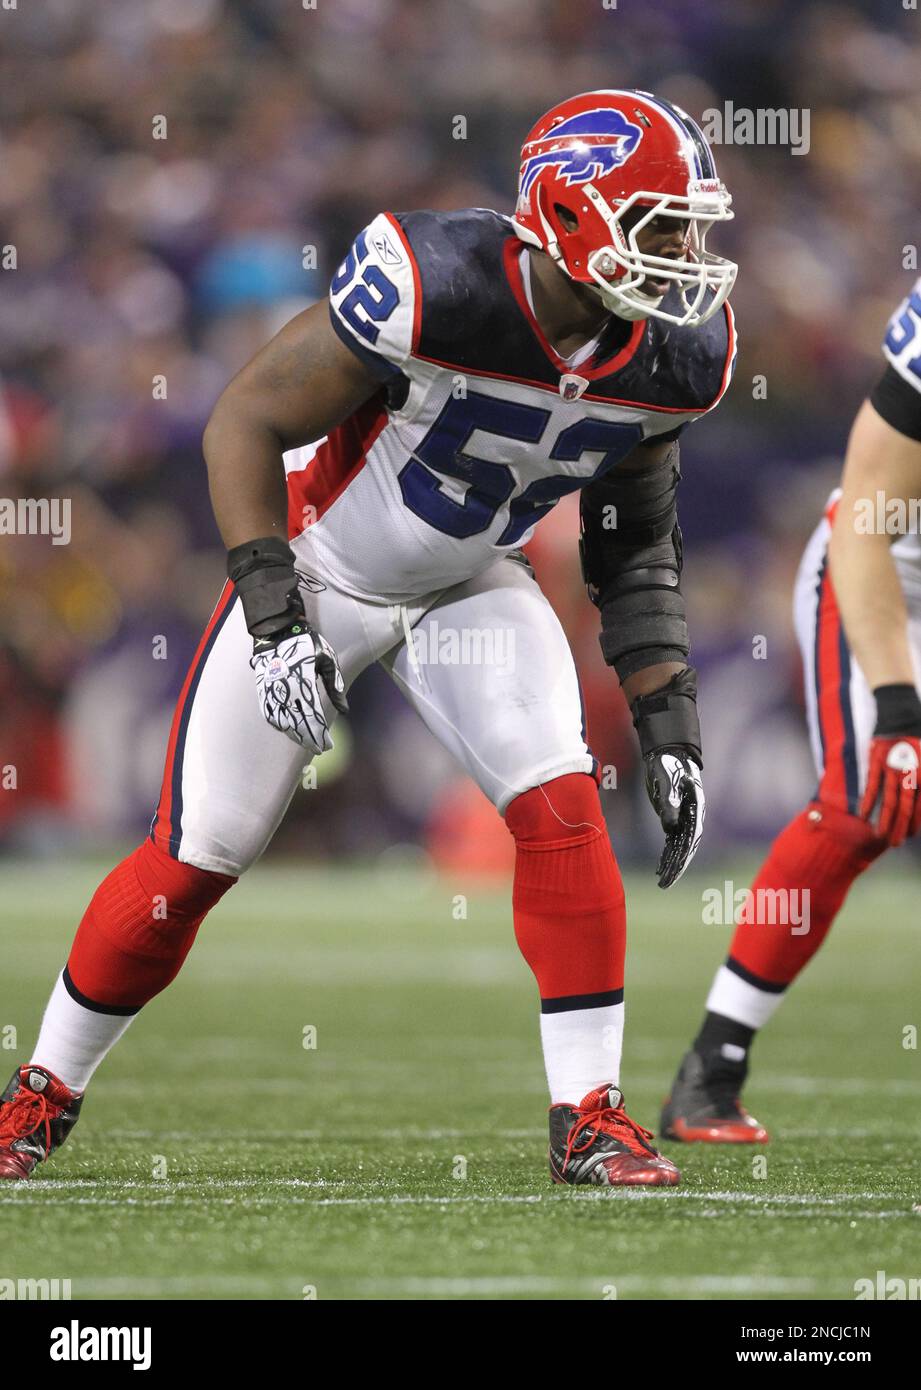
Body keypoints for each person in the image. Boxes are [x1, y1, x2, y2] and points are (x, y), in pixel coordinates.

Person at [1, 90, 737, 1188]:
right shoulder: (439, 282)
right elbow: (246, 418)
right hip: (322, 565)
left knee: (563, 806)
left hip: (468, 579)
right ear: (569, 213)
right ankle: (40, 1093)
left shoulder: (676, 354)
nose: (684, 254)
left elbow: (633, 543)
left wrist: (668, 721)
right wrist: (275, 616)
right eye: (660, 224)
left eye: (689, 226)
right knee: (196, 858)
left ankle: (589, 1116)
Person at [662, 278, 921, 1144]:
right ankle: (712, 1065)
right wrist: (897, 711)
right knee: (861, 808)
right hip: (886, 575)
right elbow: (865, 528)